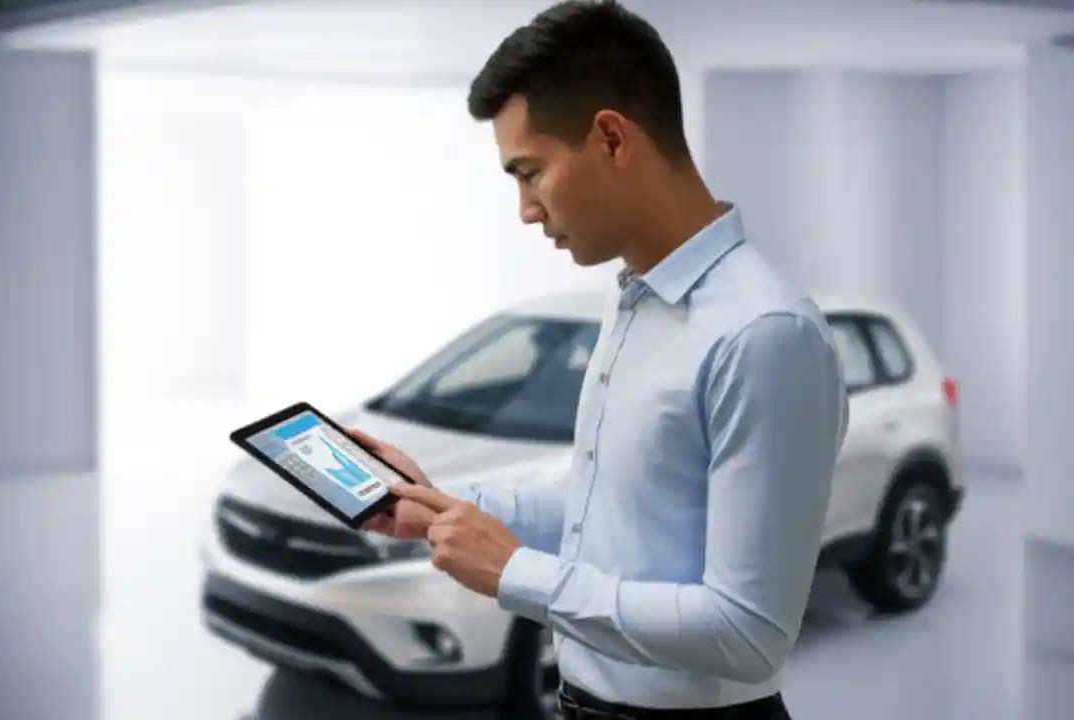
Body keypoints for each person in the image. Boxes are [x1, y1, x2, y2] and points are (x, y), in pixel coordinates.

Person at [349, 1, 847, 717]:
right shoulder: (632, 300)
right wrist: (445, 509)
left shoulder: (765, 333)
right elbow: (608, 510)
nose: (524, 208)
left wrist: (517, 575)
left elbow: (748, 635)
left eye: (531, 172)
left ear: (612, 139)